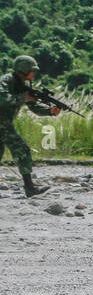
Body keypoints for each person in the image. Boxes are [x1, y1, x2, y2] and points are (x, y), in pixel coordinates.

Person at [1, 55, 62, 198]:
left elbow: (33, 107)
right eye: (32, 70)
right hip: (1, 124)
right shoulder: (6, 80)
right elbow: (1, 98)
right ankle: (30, 188)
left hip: (4, 123)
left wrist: (49, 111)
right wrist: (21, 98)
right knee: (22, 149)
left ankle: (30, 187)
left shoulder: (24, 86)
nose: (34, 74)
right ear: (23, 70)